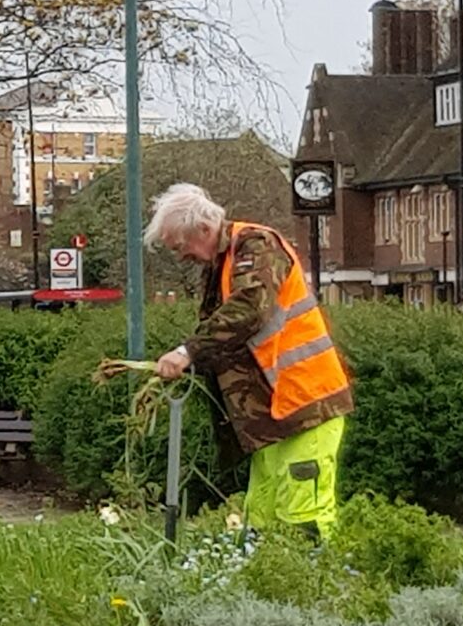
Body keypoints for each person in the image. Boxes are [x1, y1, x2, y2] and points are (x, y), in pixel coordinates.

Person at [147, 183, 354, 539]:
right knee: (263, 511)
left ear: (203, 229)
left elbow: (248, 310)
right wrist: (194, 358)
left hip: (305, 399)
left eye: (181, 247)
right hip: (273, 408)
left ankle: (312, 584)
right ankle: (266, 584)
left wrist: (187, 352)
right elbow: (227, 333)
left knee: (303, 512)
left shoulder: (256, 245)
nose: (182, 257)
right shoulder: (225, 262)